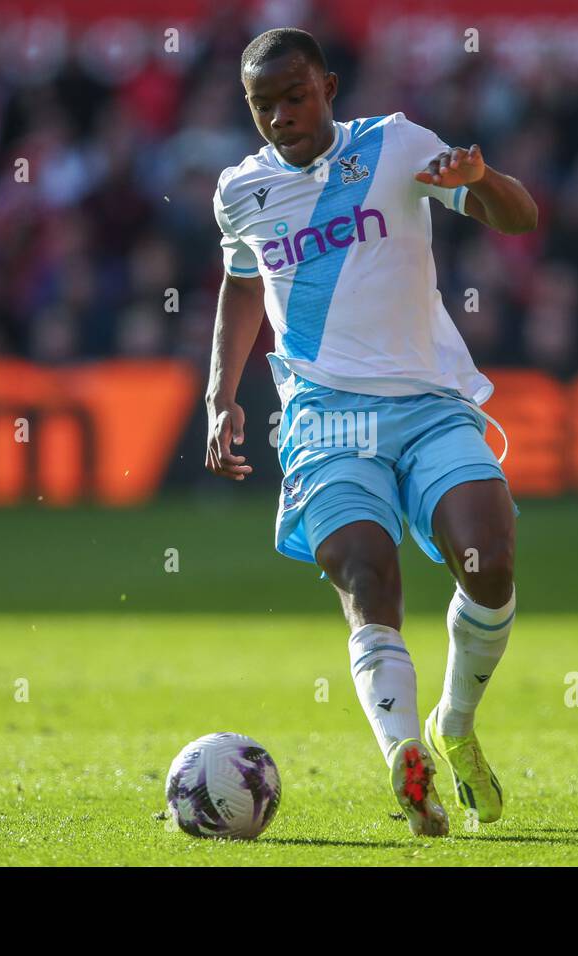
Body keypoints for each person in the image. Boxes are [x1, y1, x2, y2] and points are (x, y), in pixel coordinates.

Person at [204, 27, 538, 836]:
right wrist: (221, 394)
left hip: (429, 403)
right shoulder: (239, 191)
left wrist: (482, 179)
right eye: (263, 105)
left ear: (329, 85)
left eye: (295, 96)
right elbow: (240, 286)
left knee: (488, 564)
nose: (281, 116)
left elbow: (520, 220)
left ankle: (452, 726)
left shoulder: (395, 146)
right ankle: (402, 757)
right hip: (324, 418)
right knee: (365, 572)